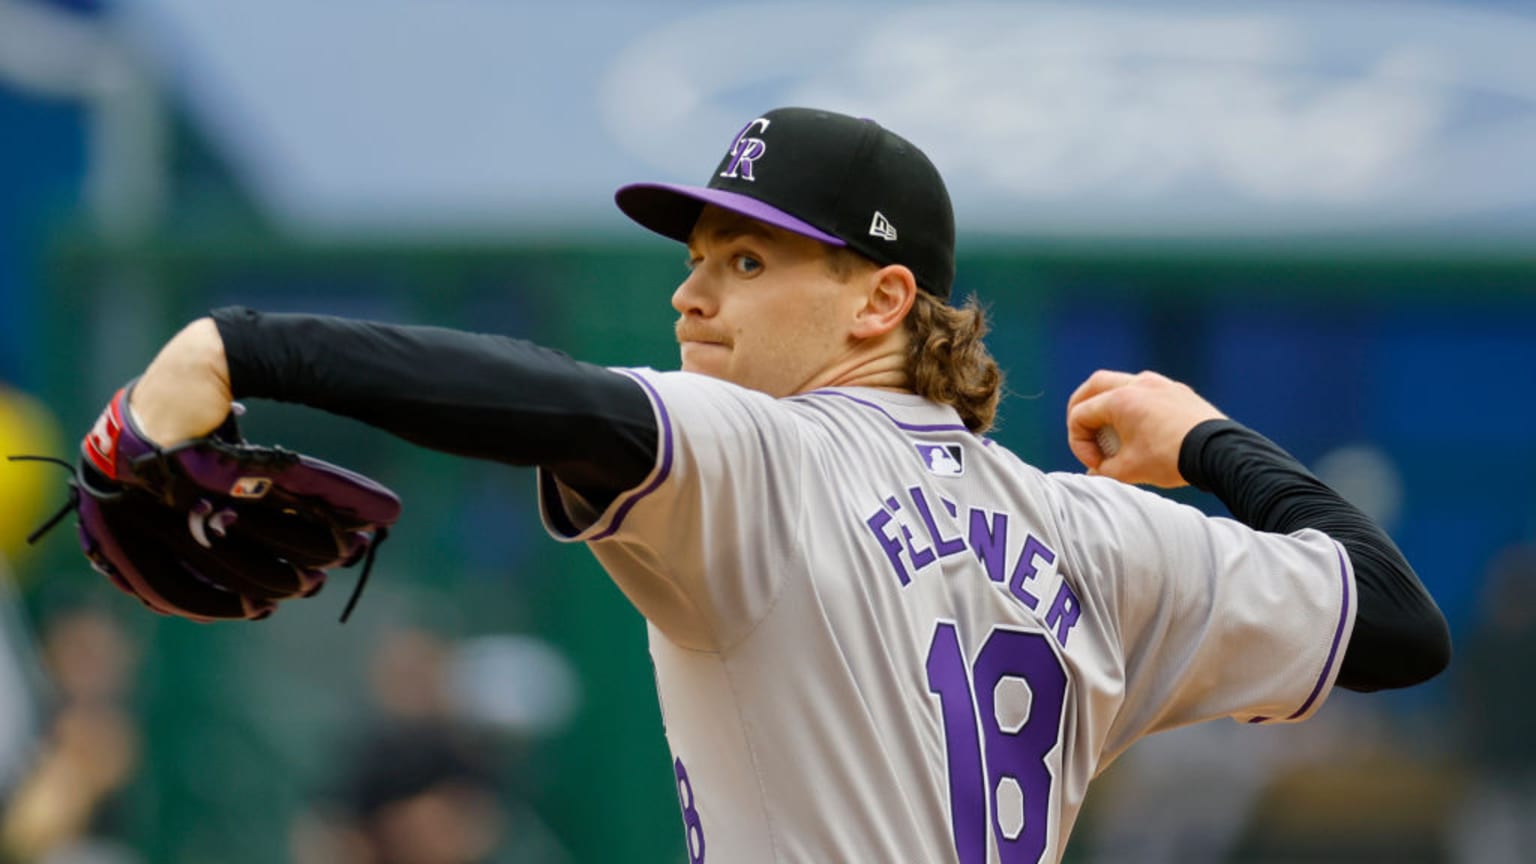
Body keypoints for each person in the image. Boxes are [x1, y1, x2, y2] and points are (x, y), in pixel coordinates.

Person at [114, 107, 1449, 863]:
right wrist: (1211, 438)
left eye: (748, 262)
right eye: (696, 255)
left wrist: (242, 349)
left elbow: (556, 401)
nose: (692, 293)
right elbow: (1396, 624)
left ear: (882, 300)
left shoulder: (772, 456)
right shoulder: (1107, 536)